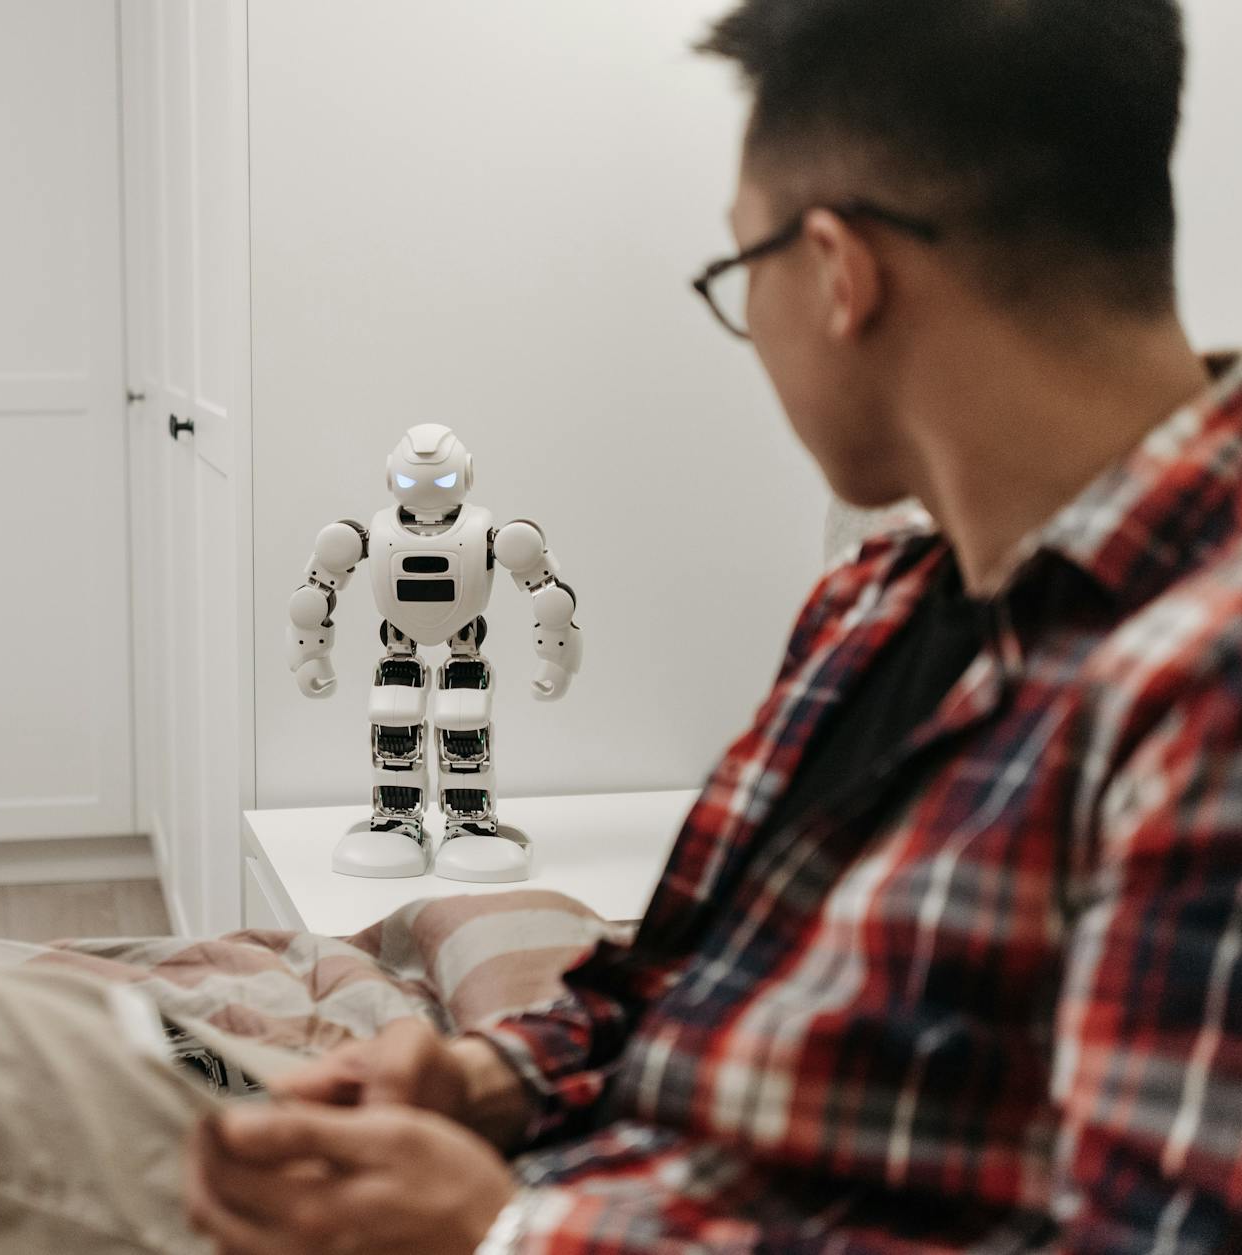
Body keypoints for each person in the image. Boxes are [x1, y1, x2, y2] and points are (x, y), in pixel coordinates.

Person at [184, 0, 1242, 1251]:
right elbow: (686, 981)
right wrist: (477, 1086)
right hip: (578, 1164)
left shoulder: (1198, 686)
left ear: (840, 274)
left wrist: (501, 1235)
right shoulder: (875, 601)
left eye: (738, 274)